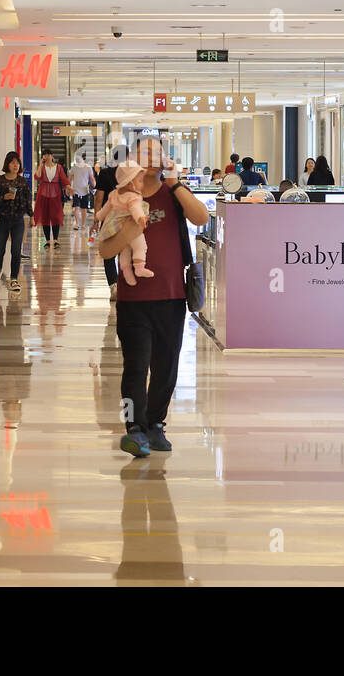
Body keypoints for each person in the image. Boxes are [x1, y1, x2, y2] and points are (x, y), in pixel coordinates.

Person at [100, 137, 210, 457]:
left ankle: (155, 424)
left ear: (165, 157)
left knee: (166, 366)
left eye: (156, 151)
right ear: (132, 157)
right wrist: (128, 233)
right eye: (144, 151)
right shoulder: (121, 198)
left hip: (172, 295)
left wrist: (175, 184)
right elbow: (105, 250)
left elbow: (201, 217)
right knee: (135, 366)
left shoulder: (173, 194)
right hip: (132, 299)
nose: (151, 157)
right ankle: (134, 428)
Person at [96, 160, 154, 285]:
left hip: (112, 225)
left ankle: (125, 273)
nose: (142, 184)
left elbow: (105, 209)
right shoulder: (133, 197)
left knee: (123, 251)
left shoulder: (113, 194)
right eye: (139, 181)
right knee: (140, 246)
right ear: (129, 183)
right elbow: (135, 209)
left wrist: (98, 217)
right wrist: (140, 218)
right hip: (128, 225)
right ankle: (139, 268)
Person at [0, 151, 33, 292]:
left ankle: (14, 279)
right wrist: (4, 197)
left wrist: (32, 216)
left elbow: (28, 199)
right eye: (12, 162)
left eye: (17, 162)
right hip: (2, 219)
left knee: (16, 250)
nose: (15, 165)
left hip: (18, 220)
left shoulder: (22, 182)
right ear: (7, 164)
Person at [94, 146, 126, 291]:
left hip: (108, 218)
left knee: (109, 252)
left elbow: (99, 199)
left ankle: (113, 284)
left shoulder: (105, 173)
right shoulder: (131, 174)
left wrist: (96, 221)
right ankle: (124, 284)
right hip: (126, 218)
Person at [33, 149, 71, 248]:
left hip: (55, 195)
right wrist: (41, 164)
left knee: (56, 217)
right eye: (45, 155)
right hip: (43, 195)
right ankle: (48, 241)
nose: (47, 156)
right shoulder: (42, 167)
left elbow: (64, 179)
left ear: (52, 155)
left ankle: (55, 239)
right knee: (45, 217)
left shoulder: (58, 167)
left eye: (48, 155)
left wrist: (68, 187)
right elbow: (37, 176)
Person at [69, 153, 96, 233]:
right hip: (76, 190)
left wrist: (94, 185)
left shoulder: (88, 167)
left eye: (78, 156)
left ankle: (83, 224)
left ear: (82, 158)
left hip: (85, 190)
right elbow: (69, 178)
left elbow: (91, 178)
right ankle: (77, 224)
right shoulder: (74, 167)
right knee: (76, 207)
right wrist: (69, 188)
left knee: (84, 208)